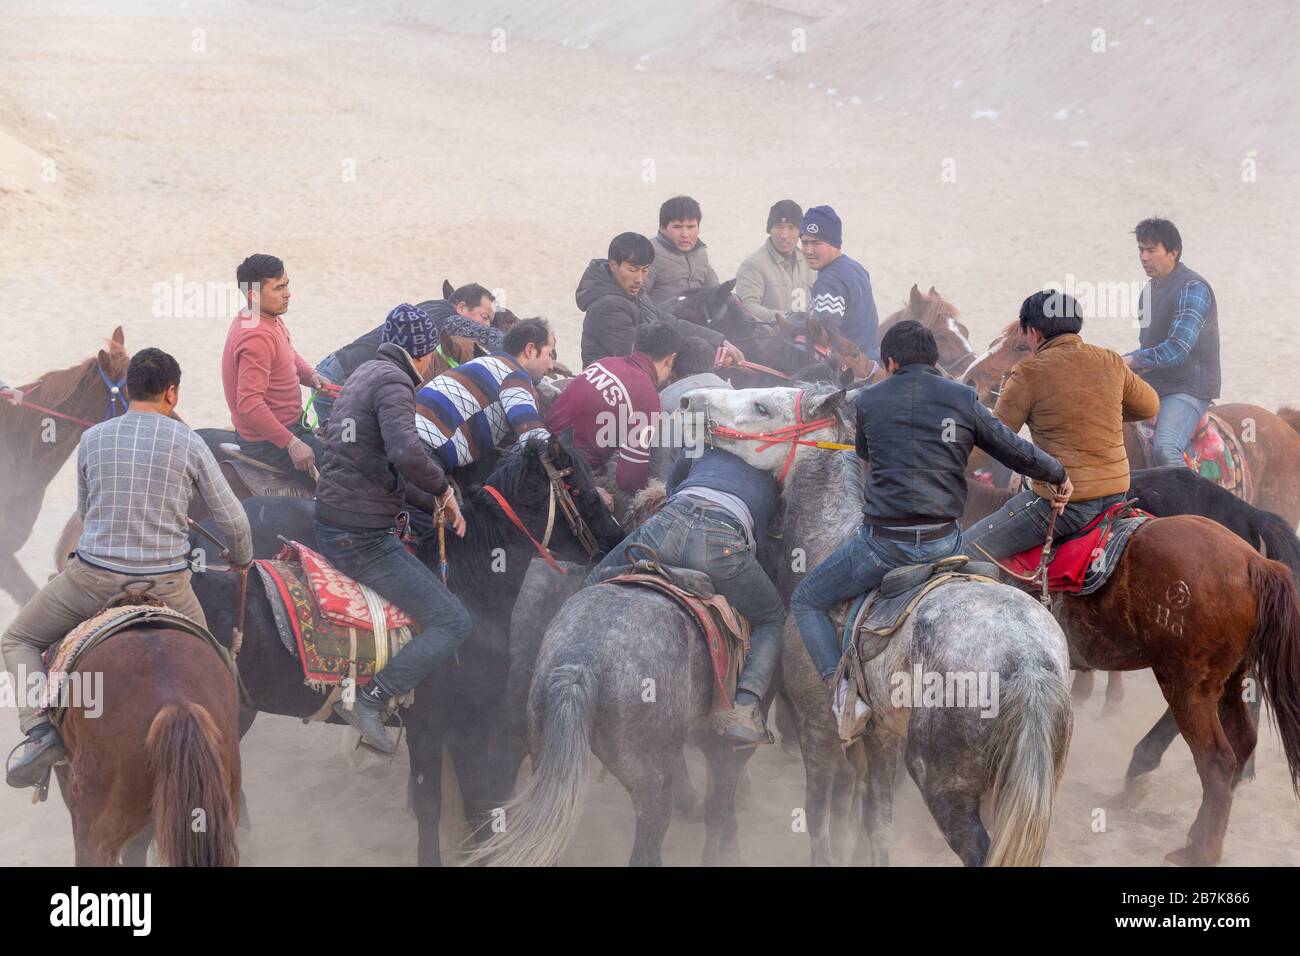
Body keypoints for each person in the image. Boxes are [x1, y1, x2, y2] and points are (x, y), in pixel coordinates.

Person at [792, 321, 1067, 724]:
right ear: (935, 361)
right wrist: (1057, 473)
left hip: (884, 546)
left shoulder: (870, 400)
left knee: (807, 599)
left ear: (889, 362)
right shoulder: (962, 397)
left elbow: (864, 460)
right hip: (945, 544)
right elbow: (1013, 450)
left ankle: (844, 695)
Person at [2, 348, 253, 787]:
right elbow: (233, 520)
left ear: (129, 390)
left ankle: (40, 731)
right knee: (217, 663)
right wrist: (242, 557)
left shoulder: (93, 439)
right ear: (171, 394)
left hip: (92, 580)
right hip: (170, 586)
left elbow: (86, 511)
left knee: (18, 638)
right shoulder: (189, 441)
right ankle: (222, 742)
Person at [312, 304, 471, 754]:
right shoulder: (397, 382)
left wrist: (431, 501)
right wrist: (444, 490)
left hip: (333, 516)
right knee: (453, 620)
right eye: (430, 355)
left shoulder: (364, 373)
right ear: (421, 354)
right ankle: (371, 700)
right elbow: (405, 452)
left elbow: (380, 466)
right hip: (360, 536)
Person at [585, 423, 785, 746]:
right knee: (772, 617)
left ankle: (577, 663)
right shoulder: (775, 461)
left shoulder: (710, 439)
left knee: (596, 577)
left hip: (667, 525)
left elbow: (672, 487)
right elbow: (767, 536)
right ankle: (746, 709)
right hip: (723, 542)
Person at [964, 291, 1159, 561]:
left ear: (1032, 333)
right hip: (1117, 495)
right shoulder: (1111, 361)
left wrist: (950, 463)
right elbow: (1150, 406)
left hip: (1063, 506)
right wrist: (1103, 411)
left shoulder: (1029, 372)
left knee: (964, 550)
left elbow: (996, 441)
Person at [546, 323, 680, 508]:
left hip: (544, 445)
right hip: (570, 470)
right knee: (644, 508)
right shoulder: (646, 396)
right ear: (670, 359)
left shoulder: (604, 363)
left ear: (634, 346)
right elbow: (629, 478)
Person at [1122, 217, 1221, 466]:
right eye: (1141, 250)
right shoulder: (1147, 292)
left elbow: (1177, 349)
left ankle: (1187, 502)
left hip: (1188, 388)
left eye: (1151, 250)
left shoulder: (1193, 288)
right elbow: (1149, 348)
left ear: (1172, 253)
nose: (1144, 257)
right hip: (1156, 385)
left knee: (1166, 450)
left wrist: (1131, 360)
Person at [220, 254, 325, 484]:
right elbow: (249, 403)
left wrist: (312, 376)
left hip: (290, 426)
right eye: (278, 288)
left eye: (287, 284)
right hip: (267, 443)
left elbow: (287, 353)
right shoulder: (256, 336)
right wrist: (291, 443)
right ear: (253, 295)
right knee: (350, 467)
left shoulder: (264, 317)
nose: (288, 293)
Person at [577, 232, 742, 369]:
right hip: (620, 390)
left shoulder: (634, 294)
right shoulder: (608, 307)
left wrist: (718, 341)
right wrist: (705, 358)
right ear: (614, 265)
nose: (639, 279)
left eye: (644, 271)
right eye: (632, 270)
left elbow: (668, 321)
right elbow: (636, 358)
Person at [414, 318, 555, 475]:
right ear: (530, 350)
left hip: (404, 433)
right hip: (426, 450)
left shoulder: (486, 362)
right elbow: (531, 434)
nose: (551, 365)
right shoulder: (515, 375)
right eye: (549, 354)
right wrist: (560, 456)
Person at [800, 205, 881, 360]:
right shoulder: (855, 267)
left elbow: (822, 335)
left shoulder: (829, 282)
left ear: (834, 243)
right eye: (804, 243)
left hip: (851, 372)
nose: (809, 251)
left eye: (816, 243)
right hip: (872, 362)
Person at [649, 338, 728, 481]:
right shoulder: (734, 394)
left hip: (685, 491)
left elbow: (662, 466)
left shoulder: (665, 402)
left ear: (671, 368)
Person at [733, 199, 816, 329]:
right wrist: (788, 319)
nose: (784, 235)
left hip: (805, 338)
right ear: (769, 230)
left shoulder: (810, 263)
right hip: (770, 341)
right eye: (779, 227)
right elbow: (747, 307)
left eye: (791, 228)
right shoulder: (753, 265)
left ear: (800, 232)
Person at [641, 195, 720, 305]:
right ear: (662, 228)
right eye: (677, 227)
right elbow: (638, 297)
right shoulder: (650, 252)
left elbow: (715, 291)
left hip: (698, 319)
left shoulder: (700, 253)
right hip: (662, 319)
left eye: (691, 227)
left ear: (699, 227)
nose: (685, 234)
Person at [415, 283, 506, 355]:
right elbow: (486, 336)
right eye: (485, 317)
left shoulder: (428, 306)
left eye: (490, 321)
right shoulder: (451, 321)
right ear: (461, 307)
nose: (488, 325)